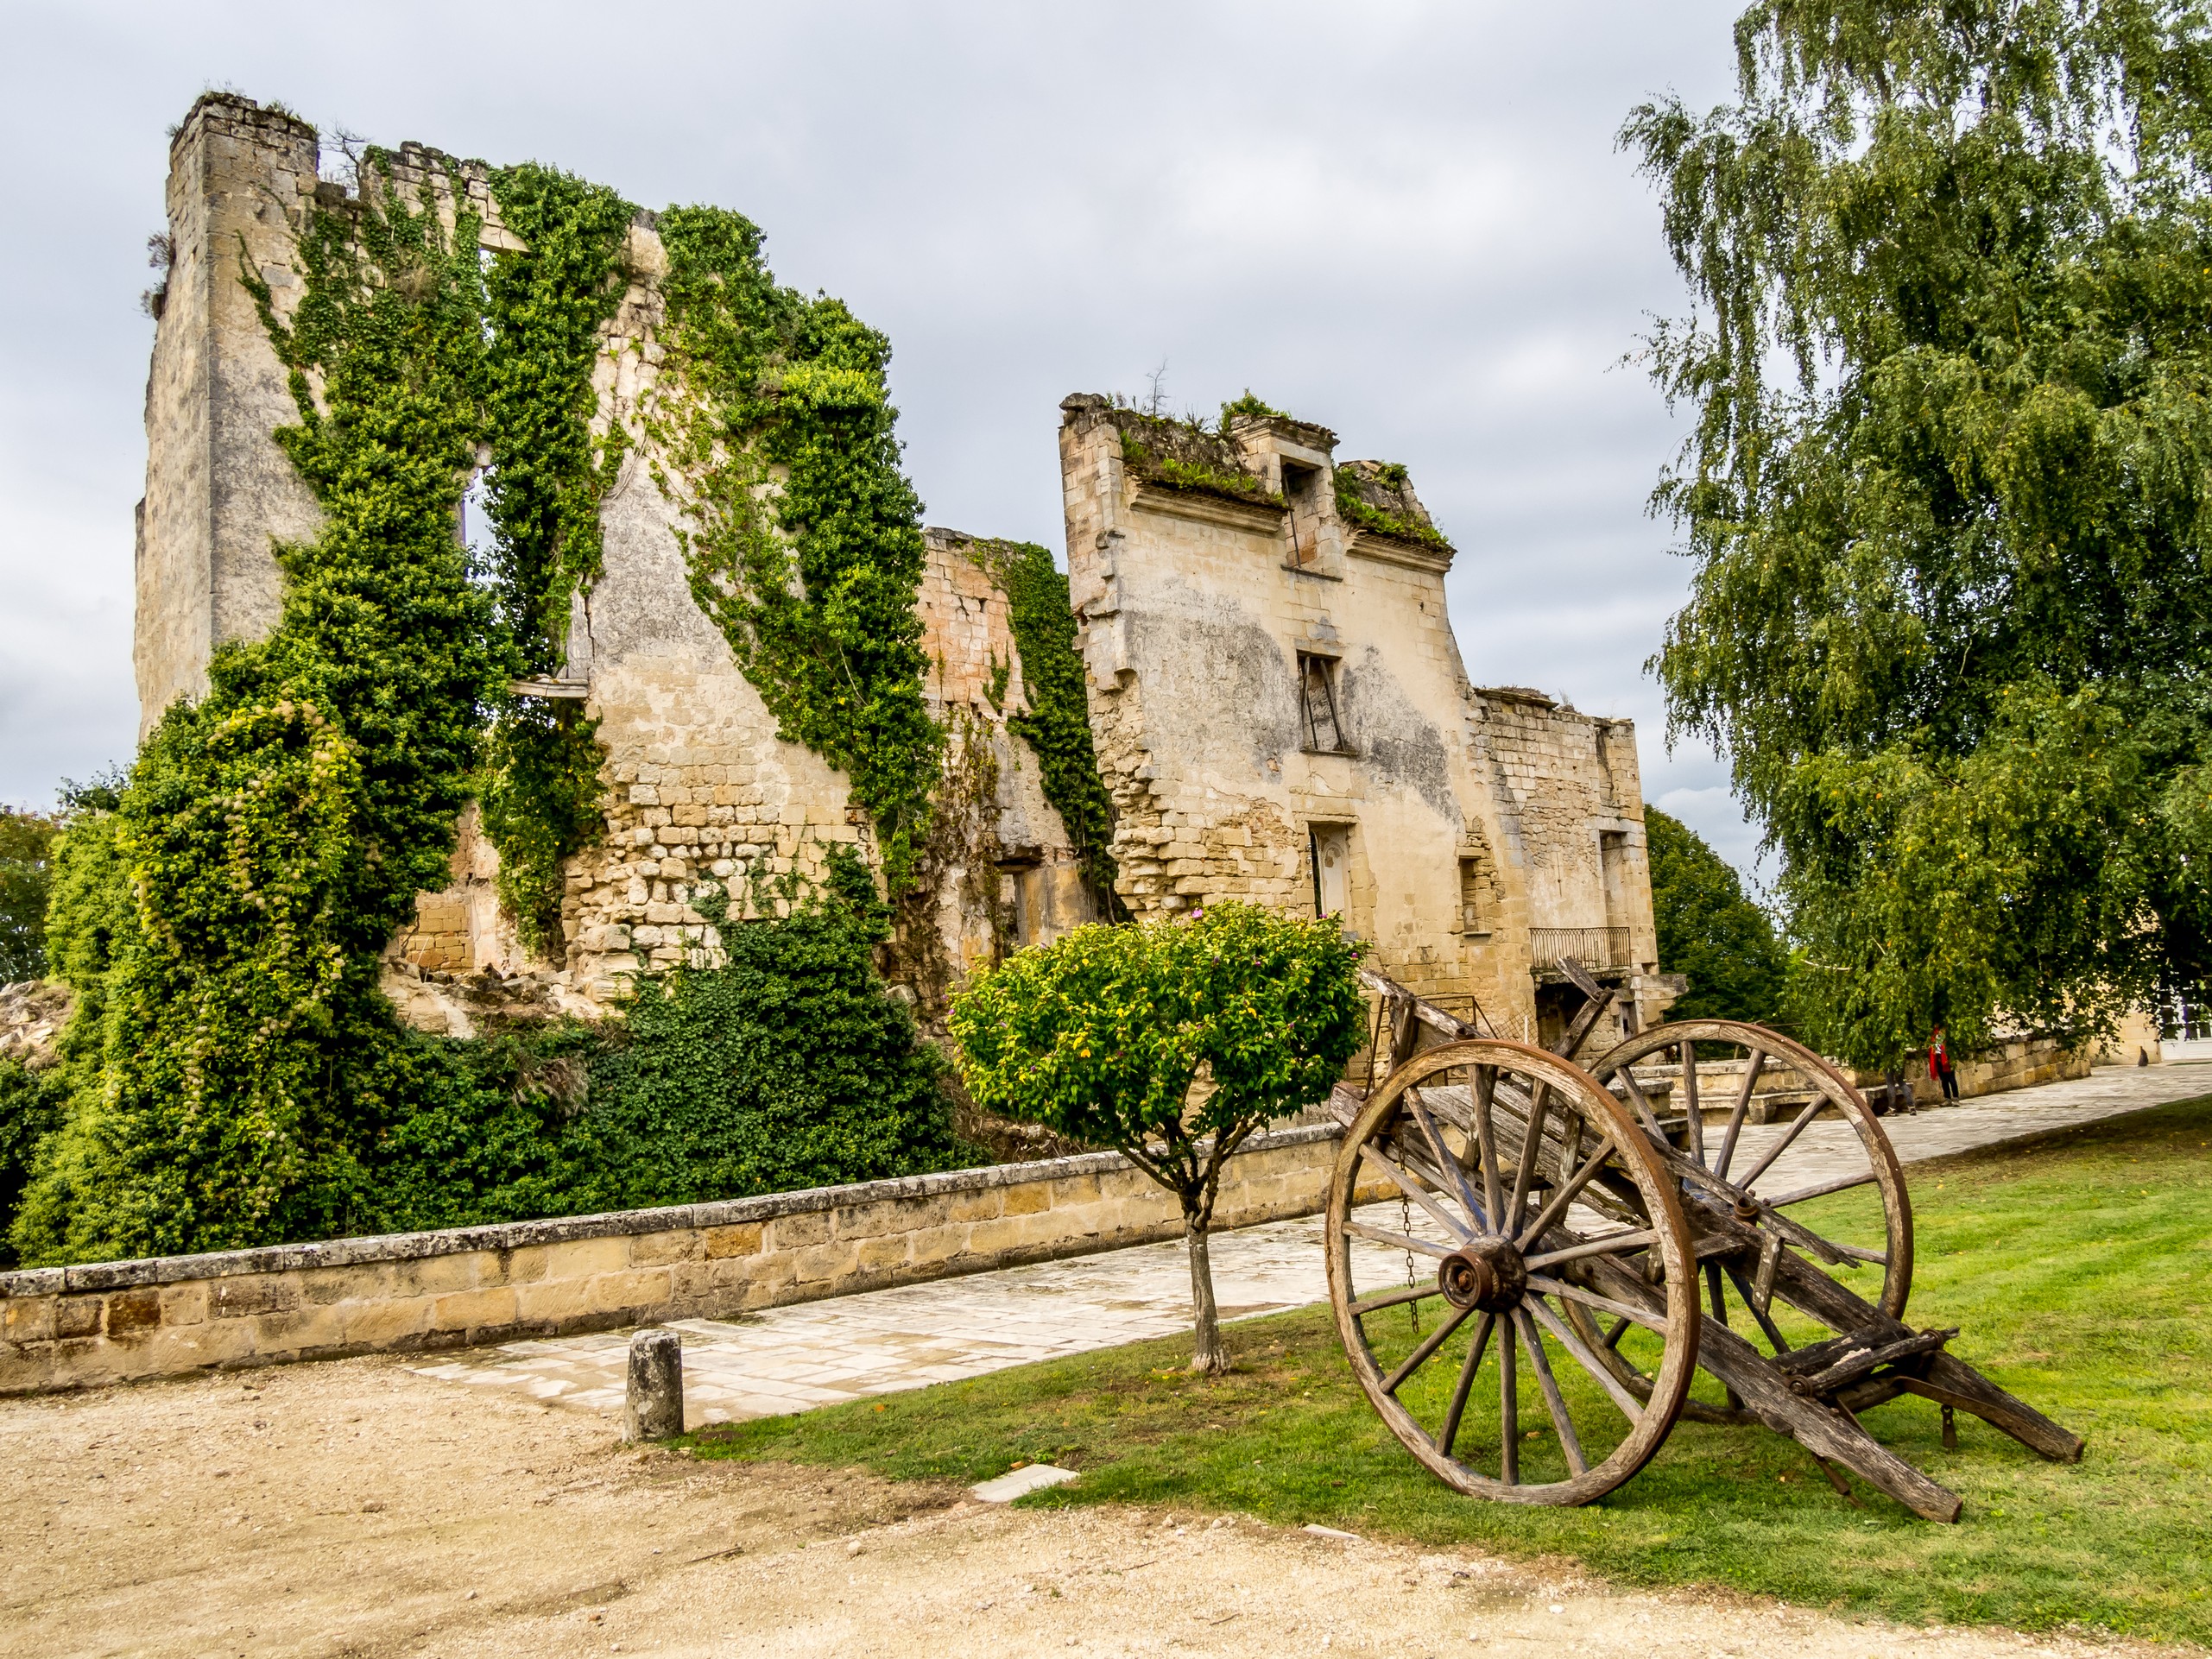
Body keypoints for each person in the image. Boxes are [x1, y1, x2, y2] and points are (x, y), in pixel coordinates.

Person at [1928, 1024, 1960, 1102]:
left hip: (1947, 1059)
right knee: (1944, 1080)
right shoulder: (1933, 1034)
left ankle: (1956, 1097)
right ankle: (1947, 1098)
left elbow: (1940, 1046)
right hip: (1939, 1060)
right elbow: (1935, 1047)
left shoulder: (1945, 1032)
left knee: (1951, 1079)